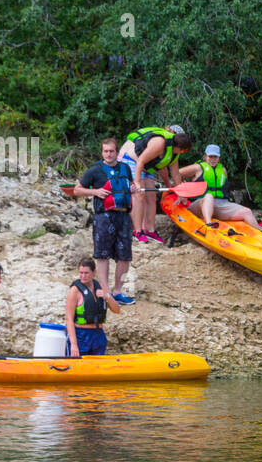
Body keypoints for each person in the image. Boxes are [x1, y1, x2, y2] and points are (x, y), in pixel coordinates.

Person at [71, 138, 136, 304]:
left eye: (111, 151)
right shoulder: (95, 171)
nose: (109, 154)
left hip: (123, 216)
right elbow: (77, 190)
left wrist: (134, 187)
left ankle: (118, 292)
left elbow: (131, 186)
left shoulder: (125, 168)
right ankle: (105, 291)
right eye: (106, 151)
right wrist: (96, 192)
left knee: (125, 256)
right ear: (102, 152)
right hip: (104, 217)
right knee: (102, 255)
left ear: (116, 152)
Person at [119, 124, 193, 244]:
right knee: (139, 195)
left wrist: (180, 193)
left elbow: (175, 174)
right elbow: (141, 161)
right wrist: (137, 182)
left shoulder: (175, 152)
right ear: (179, 146)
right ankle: (137, 231)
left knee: (152, 197)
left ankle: (150, 230)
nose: (183, 153)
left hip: (147, 167)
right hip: (132, 161)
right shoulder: (159, 143)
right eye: (183, 151)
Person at [176, 144, 259, 228]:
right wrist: (181, 193)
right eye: (210, 156)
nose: (213, 159)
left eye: (215, 157)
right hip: (200, 204)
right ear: (205, 156)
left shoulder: (222, 170)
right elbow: (177, 174)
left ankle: (260, 232)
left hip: (220, 204)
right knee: (209, 196)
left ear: (219, 157)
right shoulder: (198, 168)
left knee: (247, 211)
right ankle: (209, 224)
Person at [64, 257, 120, 357]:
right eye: (81, 272)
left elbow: (116, 310)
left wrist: (106, 296)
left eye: (86, 273)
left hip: (98, 335)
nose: (83, 276)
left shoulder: (101, 286)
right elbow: (69, 319)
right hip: (80, 335)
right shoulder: (74, 290)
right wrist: (73, 344)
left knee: (96, 369)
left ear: (94, 272)